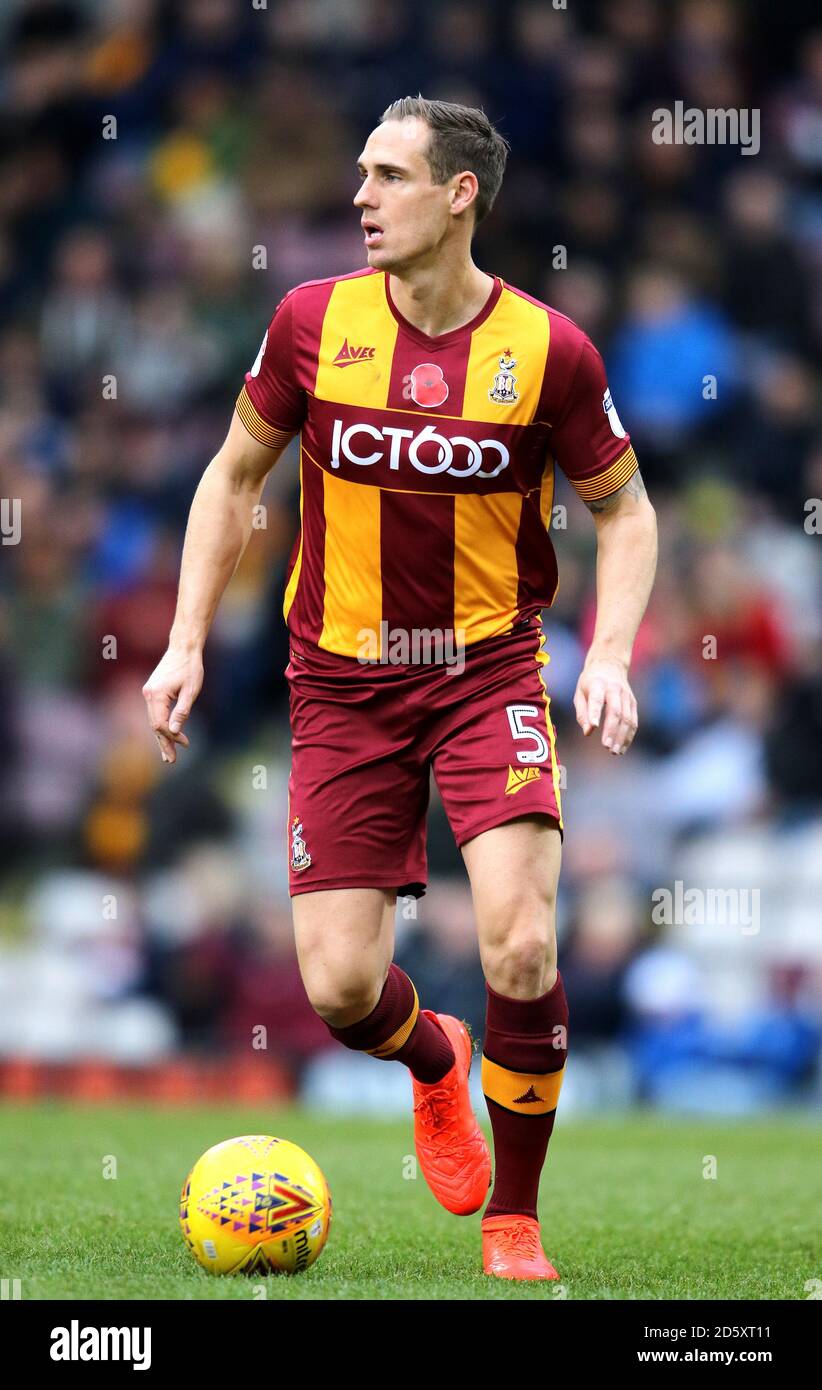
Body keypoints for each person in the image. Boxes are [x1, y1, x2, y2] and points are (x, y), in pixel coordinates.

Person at [142, 96, 657, 1281]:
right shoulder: (311, 322)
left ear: (459, 193)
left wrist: (616, 651)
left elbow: (626, 510)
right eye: (361, 174)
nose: (361, 197)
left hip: (488, 671)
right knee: (336, 986)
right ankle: (435, 1058)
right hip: (341, 682)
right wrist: (183, 642)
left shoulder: (549, 350)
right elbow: (230, 480)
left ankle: (514, 1219)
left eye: (388, 176)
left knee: (523, 943)